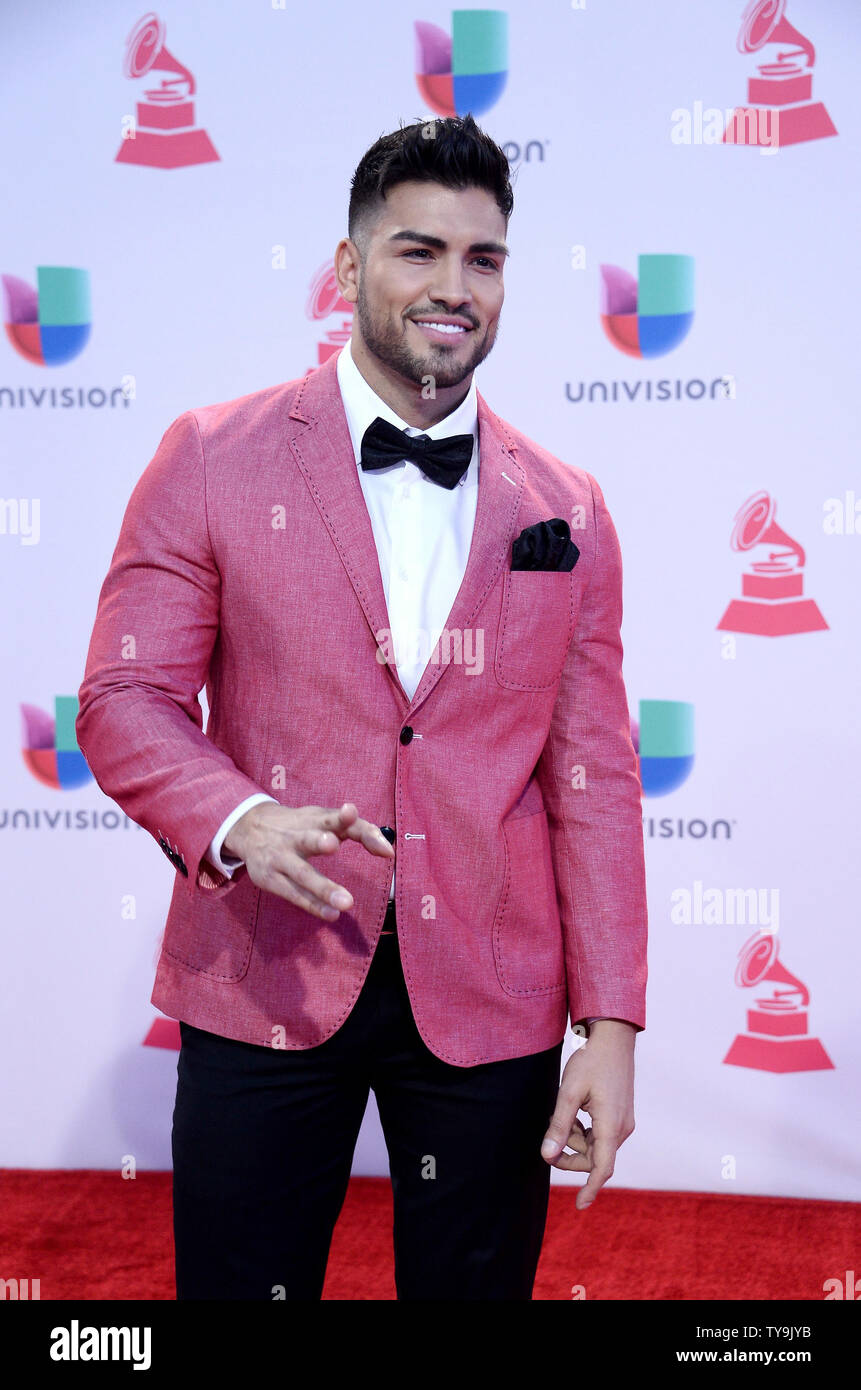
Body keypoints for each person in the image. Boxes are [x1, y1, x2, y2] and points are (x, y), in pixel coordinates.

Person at [76, 114, 648, 1301]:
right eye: (416, 251)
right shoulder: (209, 457)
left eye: (483, 259)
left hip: (494, 993)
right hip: (268, 969)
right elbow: (125, 696)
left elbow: (593, 779)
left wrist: (610, 1026)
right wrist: (239, 818)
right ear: (346, 270)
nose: (453, 287)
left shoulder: (571, 507)